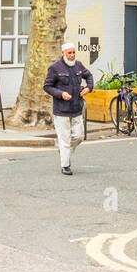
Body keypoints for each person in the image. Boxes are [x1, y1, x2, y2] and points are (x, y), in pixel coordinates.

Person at [43, 41, 93, 175]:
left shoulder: (78, 65)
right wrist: (60, 94)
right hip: (61, 110)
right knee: (64, 138)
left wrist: (88, 88)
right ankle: (65, 165)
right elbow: (47, 86)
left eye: (73, 52)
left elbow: (89, 76)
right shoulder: (55, 68)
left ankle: (64, 151)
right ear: (63, 53)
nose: (72, 55)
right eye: (69, 53)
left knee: (79, 136)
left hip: (76, 108)